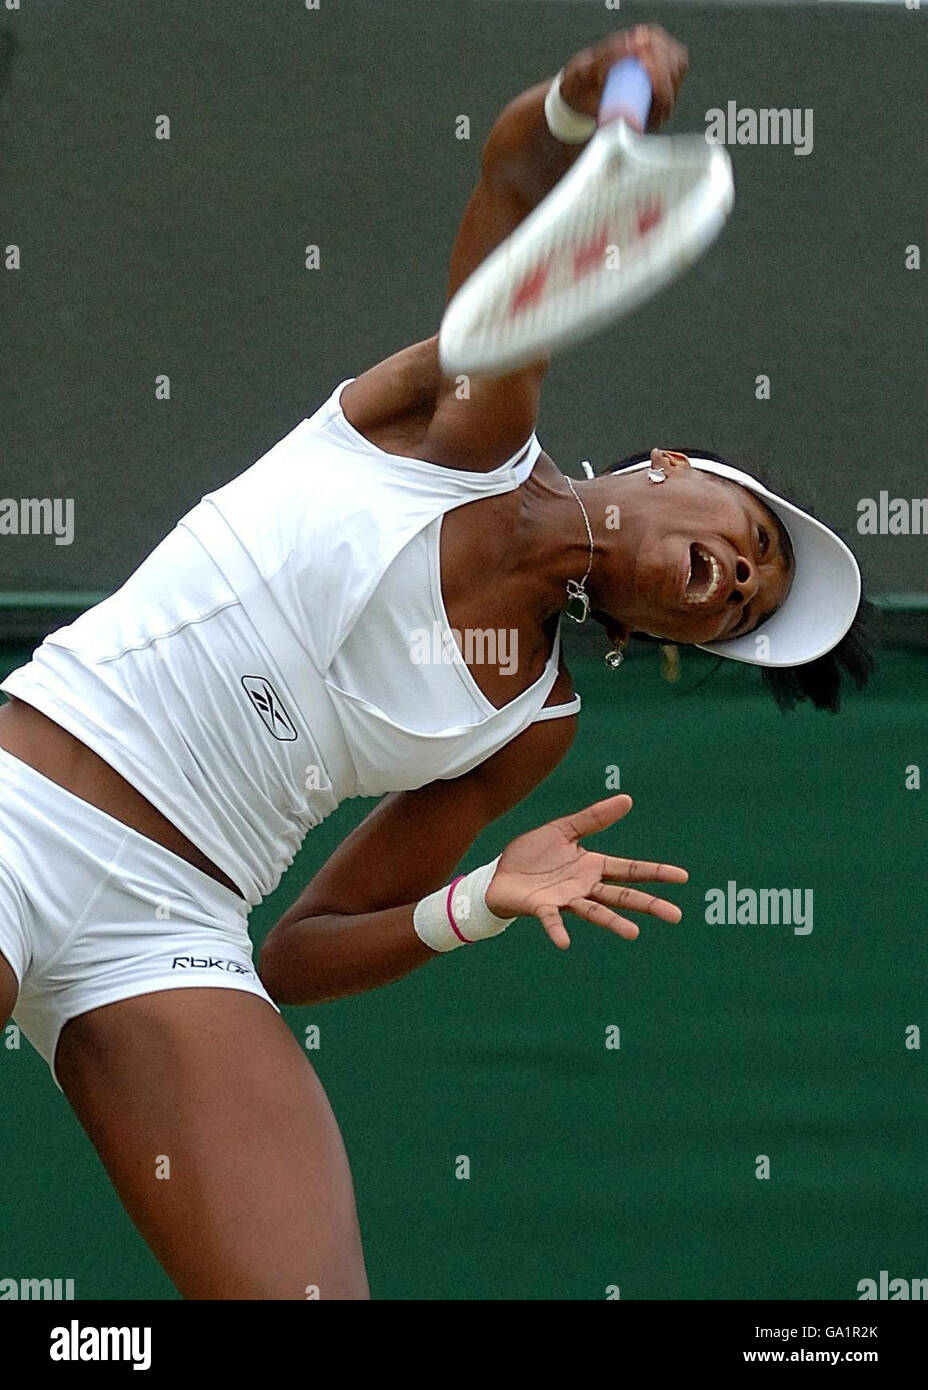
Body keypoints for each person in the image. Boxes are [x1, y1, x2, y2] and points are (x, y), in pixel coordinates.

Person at [0, 24, 872, 1299]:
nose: (739, 582)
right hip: (27, 814)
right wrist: (580, 100)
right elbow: (515, 179)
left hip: (175, 936)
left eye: (744, 614)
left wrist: (479, 899)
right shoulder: (464, 423)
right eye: (751, 546)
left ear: (669, 640)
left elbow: (301, 950)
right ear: (674, 467)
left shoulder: (536, 720)